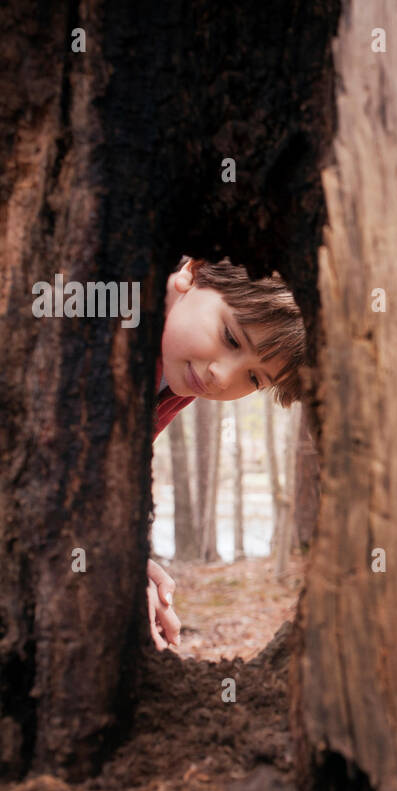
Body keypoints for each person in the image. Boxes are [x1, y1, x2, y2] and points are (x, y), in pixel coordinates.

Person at [147, 257, 306, 649]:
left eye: (253, 377)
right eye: (232, 338)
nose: (224, 376)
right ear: (193, 272)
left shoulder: (177, 381)